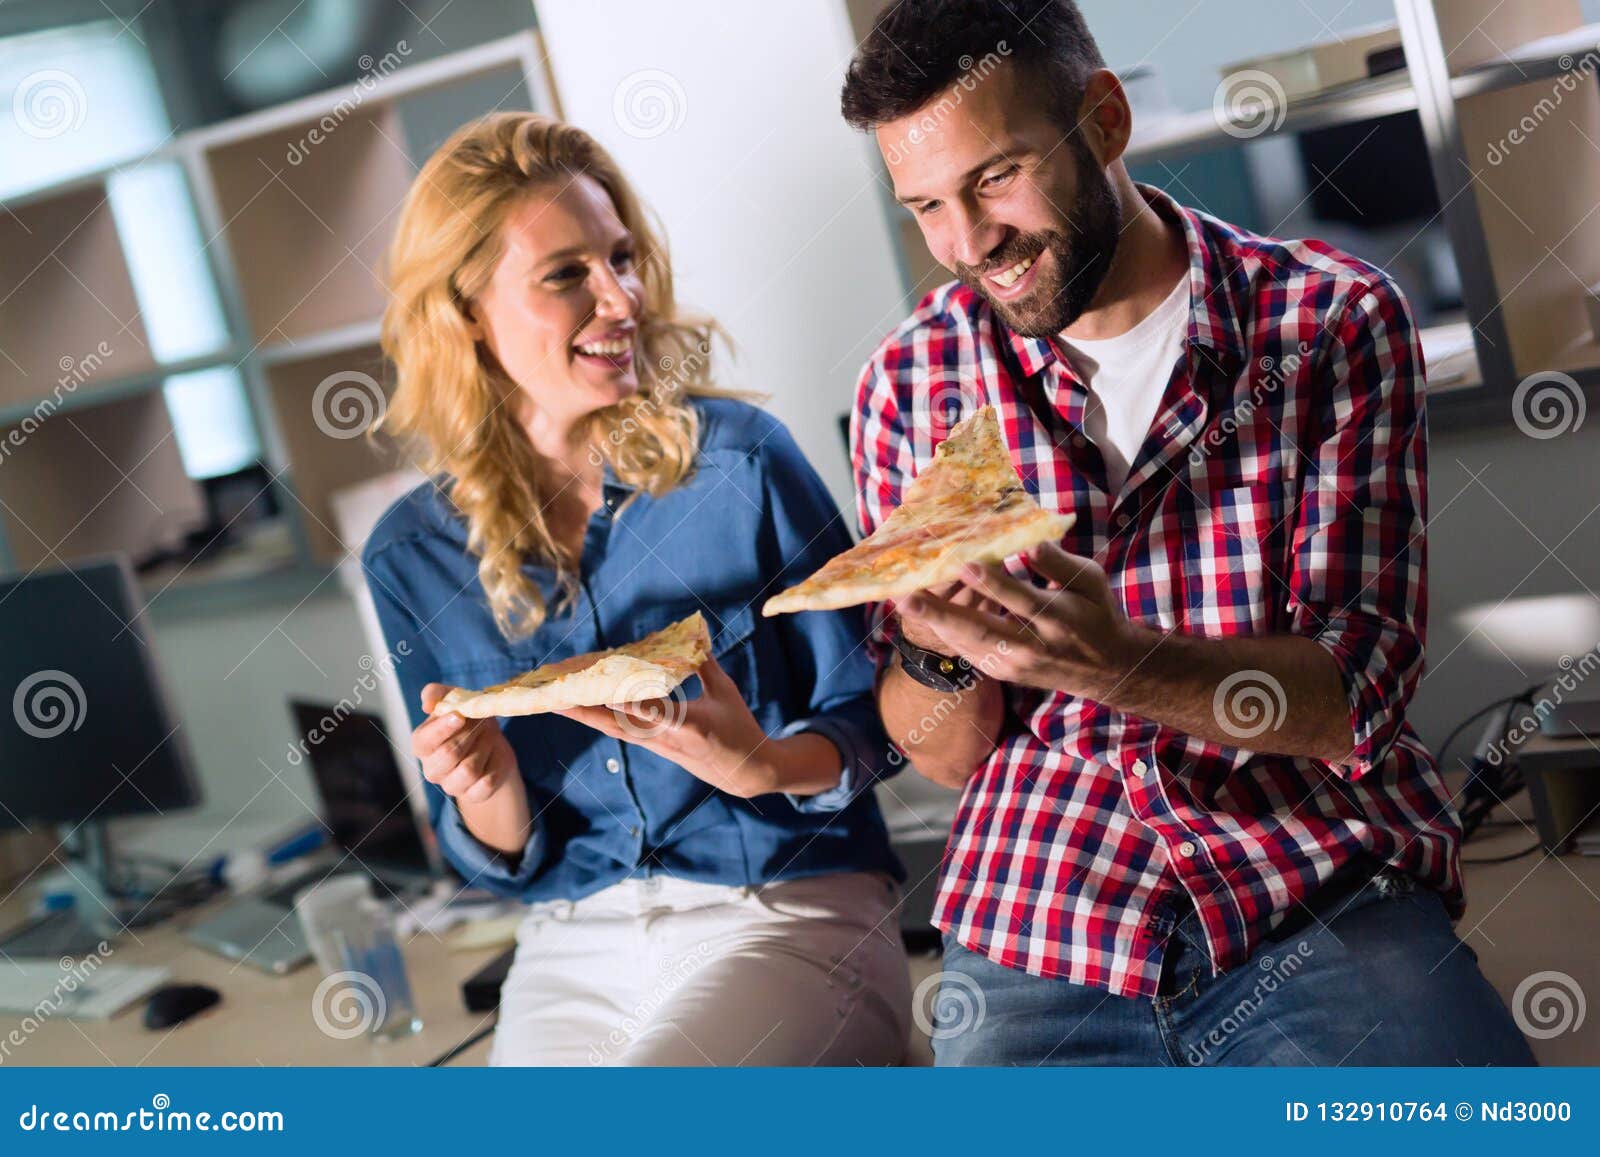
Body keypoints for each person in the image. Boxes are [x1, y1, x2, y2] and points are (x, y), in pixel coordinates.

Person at [839, 0, 1533, 1065]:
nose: (968, 244)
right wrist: (940, 646)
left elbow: (1358, 695)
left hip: (1306, 882)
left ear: (1104, 120)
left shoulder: (1329, 323)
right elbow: (945, 750)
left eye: (993, 179)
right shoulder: (910, 383)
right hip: (1042, 908)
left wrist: (1115, 661)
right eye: (926, 204)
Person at [361, 112, 909, 1066]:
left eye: (621, 259)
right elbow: (492, 850)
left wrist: (761, 766)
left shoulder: (742, 463)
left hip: (781, 900)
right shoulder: (409, 552)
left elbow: (874, 719)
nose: (619, 300)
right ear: (466, 314)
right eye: (566, 274)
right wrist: (487, 788)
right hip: (571, 938)